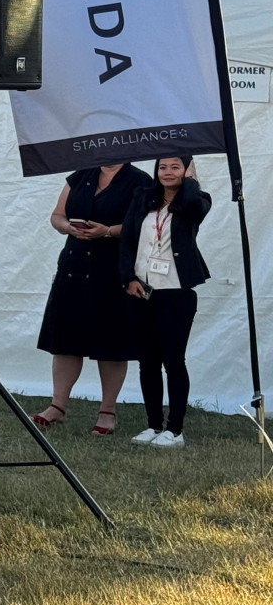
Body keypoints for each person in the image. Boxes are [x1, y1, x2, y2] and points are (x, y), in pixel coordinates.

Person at [33, 160, 152, 435]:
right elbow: (57, 215)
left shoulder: (139, 180)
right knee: (65, 340)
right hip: (74, 266)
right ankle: (57, 406)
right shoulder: (80, 175)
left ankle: (107, 412)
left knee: (110, 341)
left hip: (112, 267)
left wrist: (108, 231)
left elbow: (144, 225)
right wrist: (67, 227)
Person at [121, 156, 212, 448]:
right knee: (147, 361)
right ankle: (153, 425)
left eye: (176, 166)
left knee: (173, 360)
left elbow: (195, 209)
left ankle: (175, 429)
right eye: (163, 167)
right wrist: (128, 279)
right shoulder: (143, 197)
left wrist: (192, 184)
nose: (168, 172)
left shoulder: (195, 199)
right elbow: (127, 240)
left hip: (176, 291)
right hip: (142, 290)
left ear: (186, 170)